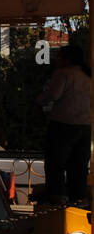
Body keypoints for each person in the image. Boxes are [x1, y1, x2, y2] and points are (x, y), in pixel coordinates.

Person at [39, 43, 93, 204]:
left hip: (62, 123)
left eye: (60, 56)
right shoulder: (87, 76)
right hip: (85, 125)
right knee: (79, 165)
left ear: (67, 59)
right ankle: (78, 198)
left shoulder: (63, 74)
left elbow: (53, 95)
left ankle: (57, 197)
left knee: (56, 163)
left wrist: (39, 100)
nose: (57, 59)